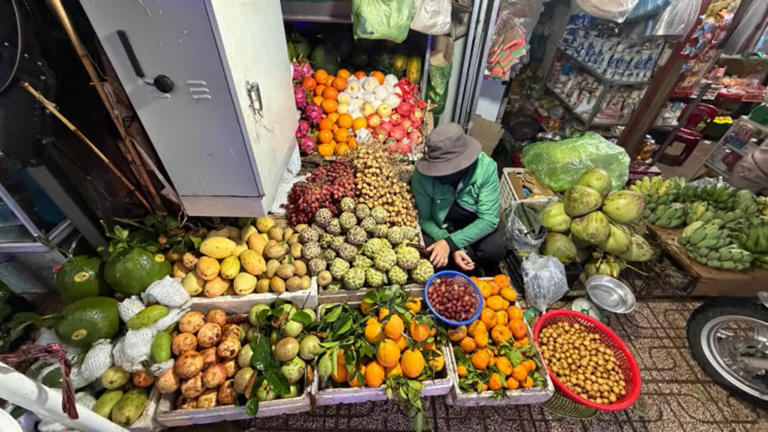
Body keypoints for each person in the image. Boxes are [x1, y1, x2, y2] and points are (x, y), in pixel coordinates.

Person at [411, 123, 506, 274]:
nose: (441, 175)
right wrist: (450, 245)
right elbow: (425, 219)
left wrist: (450, 243)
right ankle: (459, 262)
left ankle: (480, 266)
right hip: (441, 226)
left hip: (475, 221)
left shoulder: (486, 168)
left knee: (494, 250)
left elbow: (488, 219)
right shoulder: (422, 176)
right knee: (429, 252)